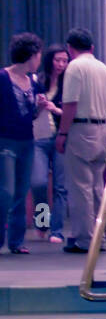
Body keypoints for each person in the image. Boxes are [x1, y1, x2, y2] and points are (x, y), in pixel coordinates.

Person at [57, 28, 106, 254]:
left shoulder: (75, 67)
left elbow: (70, 104)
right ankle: (101, 234)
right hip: (101, 129)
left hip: (80, 129)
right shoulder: (103, 68)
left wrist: (62, 133)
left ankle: (86, 240)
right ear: (92, 47)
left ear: (70, 48)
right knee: (97, 187)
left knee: (80, 187)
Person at [0, 32, 49, 254]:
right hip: (5, 140)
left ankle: (18, 240)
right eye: (38, 55)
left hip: (28, 140)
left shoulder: (34, 82)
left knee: (23, 191)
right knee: (7, 191)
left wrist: (40, 107)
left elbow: (32, 115)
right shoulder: (3, 77)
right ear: (30, 55)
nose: (40, 60)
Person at [31, 43, 69, 246]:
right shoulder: (37, 81)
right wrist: (38, 107)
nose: (61, 64)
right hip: (40, 137)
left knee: (60, 187)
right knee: (39, 183)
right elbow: (30, 113)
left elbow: (72, 113)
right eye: (57, 60)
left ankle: (57, 230)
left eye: (65, 60)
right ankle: (42, 221)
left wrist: (55, 109)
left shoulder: (69, 83)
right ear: (49, 60)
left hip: (62, 137)